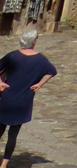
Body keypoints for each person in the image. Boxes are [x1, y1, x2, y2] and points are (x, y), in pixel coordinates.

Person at [0, 28, 57, 168]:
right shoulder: (41, 59)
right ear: (33, 42)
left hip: (7, 98)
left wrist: (0, 82)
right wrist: (39, 84)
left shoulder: (12, 56)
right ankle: (4, 165)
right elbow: (52, 71)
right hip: (23, 100)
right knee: (13, 135)